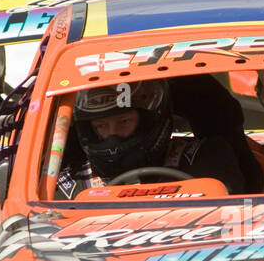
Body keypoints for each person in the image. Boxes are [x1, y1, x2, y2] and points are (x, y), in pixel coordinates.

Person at [56, 80, 245, 198]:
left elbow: (231, 216)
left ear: (149, 121)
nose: (112, 136)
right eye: (101, 126)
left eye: (124, 121)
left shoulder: (203, 157)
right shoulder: (73, 182)